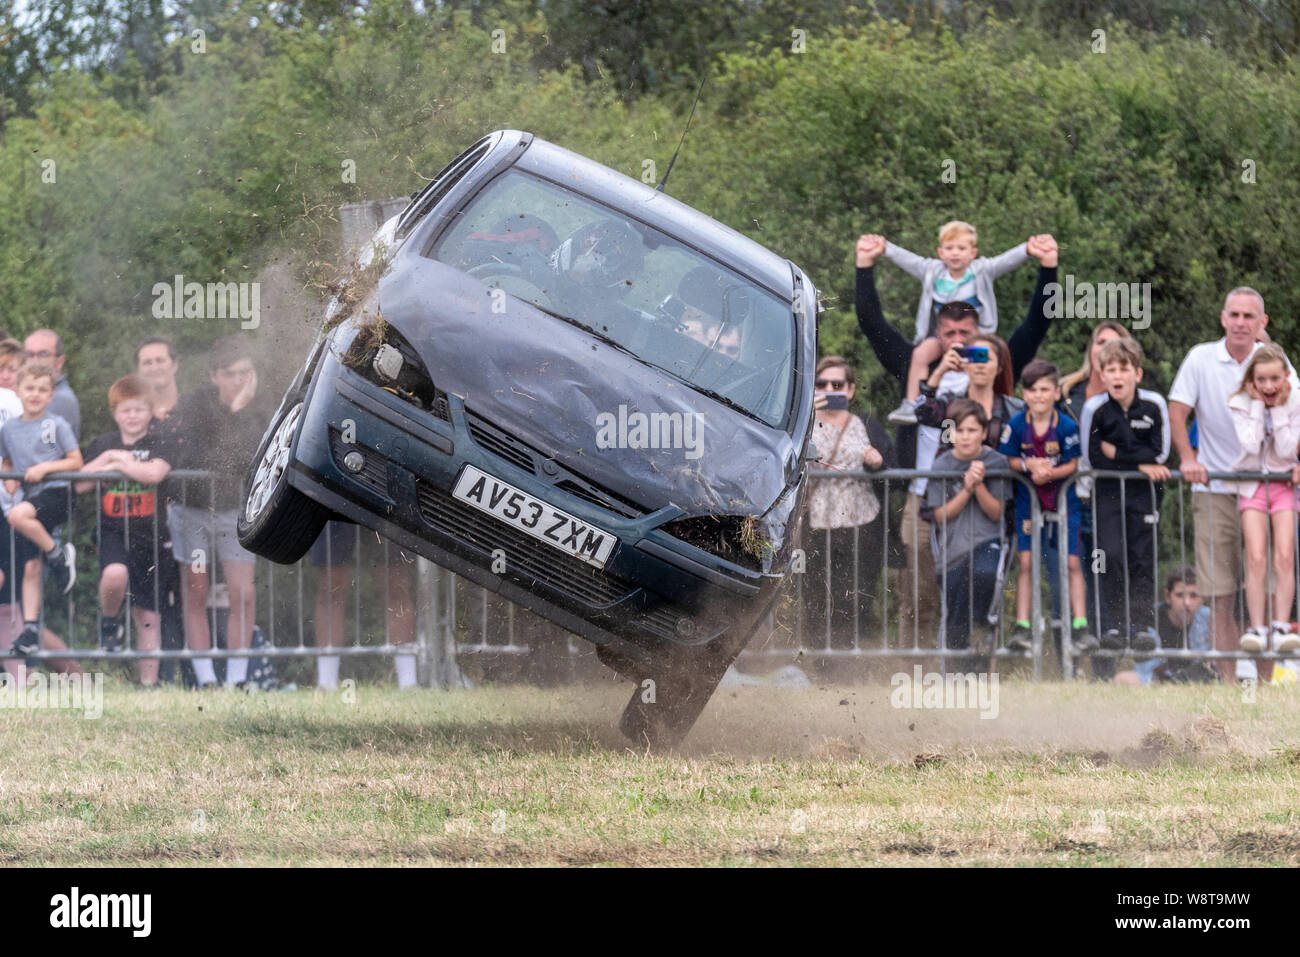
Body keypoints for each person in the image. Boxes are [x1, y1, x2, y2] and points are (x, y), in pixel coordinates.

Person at [855, 231, 1060, 644]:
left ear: (980, 332)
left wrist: (1049, 267)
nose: (958, 343)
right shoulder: (915, 366)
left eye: (966, 333)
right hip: (924, 494)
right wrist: (864, 266)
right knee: (917, 598)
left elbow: (1039, 321)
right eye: (948, 334)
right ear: (936, 333)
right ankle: (914, 682)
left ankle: (971, 674)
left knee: (977, 595)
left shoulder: (995, 364)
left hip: (981, 495)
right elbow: (871, 322)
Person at [1168, 286, 1297, 683]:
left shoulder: (1277, 363)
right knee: (1221, 592)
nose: (1240, 322)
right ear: (1223, 318)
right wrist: (1188, 459)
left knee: (1273, 584)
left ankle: (1265, 682)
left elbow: (1296, 416)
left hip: (1269, 485)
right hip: (1216, 488)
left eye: (1249, 316)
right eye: (1234, 315)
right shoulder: (1201, 358)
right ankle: (1226, 685)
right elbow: (1178, 410)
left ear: (1262, 323)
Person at [166, 336, 273, 689]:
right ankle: (206, 678)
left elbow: (246, 459)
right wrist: (235, 412)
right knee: (196, 590)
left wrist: (241, 408)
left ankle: (238, 679)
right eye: (231, 373)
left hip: (234, 513)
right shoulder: (194, 405)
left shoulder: (260, 409)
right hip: (193, 512)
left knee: (243, 593)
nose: (240, 380)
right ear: (214, 375)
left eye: (246, 372)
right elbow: (206, 459)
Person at [875, 221, 1033, 424]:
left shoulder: (981, 270)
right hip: (941, 336)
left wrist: (1027, 249)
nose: (955, 253)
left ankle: (992, 401)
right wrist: (886, 247)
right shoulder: (932, 270)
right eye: (949, 248)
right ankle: (911, 402)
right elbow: (910, 260)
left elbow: (1006, 261)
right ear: (941, 252)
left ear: (972, 252)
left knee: (989, 357)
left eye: (961, 248)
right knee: (920, 353)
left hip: (975, 336)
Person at [73, 376, 171, 684]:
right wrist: (109, 458)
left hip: (150, 533)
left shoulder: (160, 440)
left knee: (147, 614)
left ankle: (149, 685)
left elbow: (154, 473)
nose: (132, 416)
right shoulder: (104, 444)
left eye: (139, 410)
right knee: (115, 574)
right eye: (126, 410)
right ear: (115, 412)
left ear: (150, 411)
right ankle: (109, 623)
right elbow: (79, 483)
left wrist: (121, 466)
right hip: (112, 529)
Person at [1079, 337, 1170, 656]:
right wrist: (1137, 460)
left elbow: (1160, 453)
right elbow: (1093, 457)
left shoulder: (1155, 404)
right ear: (1101, 374)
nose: (1117, 376)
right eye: (1110, 369)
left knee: (1142, 558)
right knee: (1111, 557)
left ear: (1138, 373)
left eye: (1124, 368)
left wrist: (1117, 451)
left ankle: (1143, 626)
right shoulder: (1095, 408)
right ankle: (1116, 626)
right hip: (1107, 496)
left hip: (1145, 496)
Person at [998, 359, 1096, 654]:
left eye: (1045, 389)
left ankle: (1081, 626)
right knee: (1026, 563)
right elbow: (1009, 459)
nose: (1038, 395)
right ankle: (1022, 627)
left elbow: (1074, 463)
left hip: (1064, 500)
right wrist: (1029, 465)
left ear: (1056, 392)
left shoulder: (1066, 424)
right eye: (1032, 390)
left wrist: (1049, 472)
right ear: (1024, 394)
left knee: (1071, 563)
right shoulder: (1016, 425)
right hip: (1029, 501)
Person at [805, 356, 894, 647]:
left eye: (837, 384)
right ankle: (818, 663)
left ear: (851, 390)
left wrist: (877, 462)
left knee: (858, 592)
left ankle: (856, 662)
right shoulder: (803, 422)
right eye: (822, 384)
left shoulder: (865, 424)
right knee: (817, 594)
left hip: (861, 522)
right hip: (816, 522)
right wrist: (807, 414)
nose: (830, 389)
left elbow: (894, 472)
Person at [1, 362, 81, 662]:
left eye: (42, 389)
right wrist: (9, 481)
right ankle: (31, 627)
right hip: (31, 497)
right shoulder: (9, 428)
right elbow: (7, 461)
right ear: (18, 391)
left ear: (50, 395)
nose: (35, 394)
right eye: (30, 388)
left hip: (56, 493)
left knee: (16, 516)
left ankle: (58, 555)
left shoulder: (56, 423)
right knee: (30, 568)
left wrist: (46, 467)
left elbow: (75, 461)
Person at [922, 399, 1010, 669]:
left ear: (984, 433)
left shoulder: (996, 461)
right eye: (960, 431)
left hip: (987, 540)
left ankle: (979, 655)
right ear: (952, 433)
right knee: (956, 614)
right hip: (952, 548)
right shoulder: (942, 465)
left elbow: (997, 512)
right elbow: (940, 515)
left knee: (983, 573)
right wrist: (967, 488)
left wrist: (980, 485)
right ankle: (956, 669)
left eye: (973, 430)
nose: (966, 437)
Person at [1226, 344, 1300, 654]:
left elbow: (1286, 450)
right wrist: (1258, 407)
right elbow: (1251, 445)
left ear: (1285, 377)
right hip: (1252, 485)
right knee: (1255, 557)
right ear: (1251, 381)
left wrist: (1281, 410)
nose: (1269, 387)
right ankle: (1256, 626)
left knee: (1284, 556)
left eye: (1274, 379)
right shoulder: (1238, 403)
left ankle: (1281, 625)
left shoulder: (1295, 401)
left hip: (1284, 485)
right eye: (1261, 380)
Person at [310, 523, 419, 690]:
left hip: (383, 501)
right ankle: (326, 683)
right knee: (331, 586)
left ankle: (409, 683)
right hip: (338, 503)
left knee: (396, 585)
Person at [914, 331, 1022, 453]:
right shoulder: (951, 403)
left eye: (986, 358)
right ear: (965, 364)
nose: (980, 365)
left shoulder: (1014, 409)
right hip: (952, 470)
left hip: (998, 471)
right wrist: (940, 371)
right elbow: (922, 412)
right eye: (975, 357)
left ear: (999, 368)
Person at [1116, 567, 1217, 685]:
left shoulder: (1209, 618)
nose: (1187, 603)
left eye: (1194, 596)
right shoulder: (1150, 618)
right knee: (1122, 678)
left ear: (1202, 598)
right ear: (1168, 596)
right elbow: (1145, 673)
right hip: (1157, 679)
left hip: (1194, 678)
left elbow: (1215, 666)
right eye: (1180, 595)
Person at [23, 329, 79, 439]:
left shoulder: (59, 399)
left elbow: (43, 450)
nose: (35, 360)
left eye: (43, 354)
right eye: (29, 354)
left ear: (59, 362)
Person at [135, 336, 182, 420]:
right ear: (138, 370)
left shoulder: (196, 407)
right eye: (147, 363)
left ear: (175, 365)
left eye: (160, 360)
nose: (154, 368)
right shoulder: (131, 415)